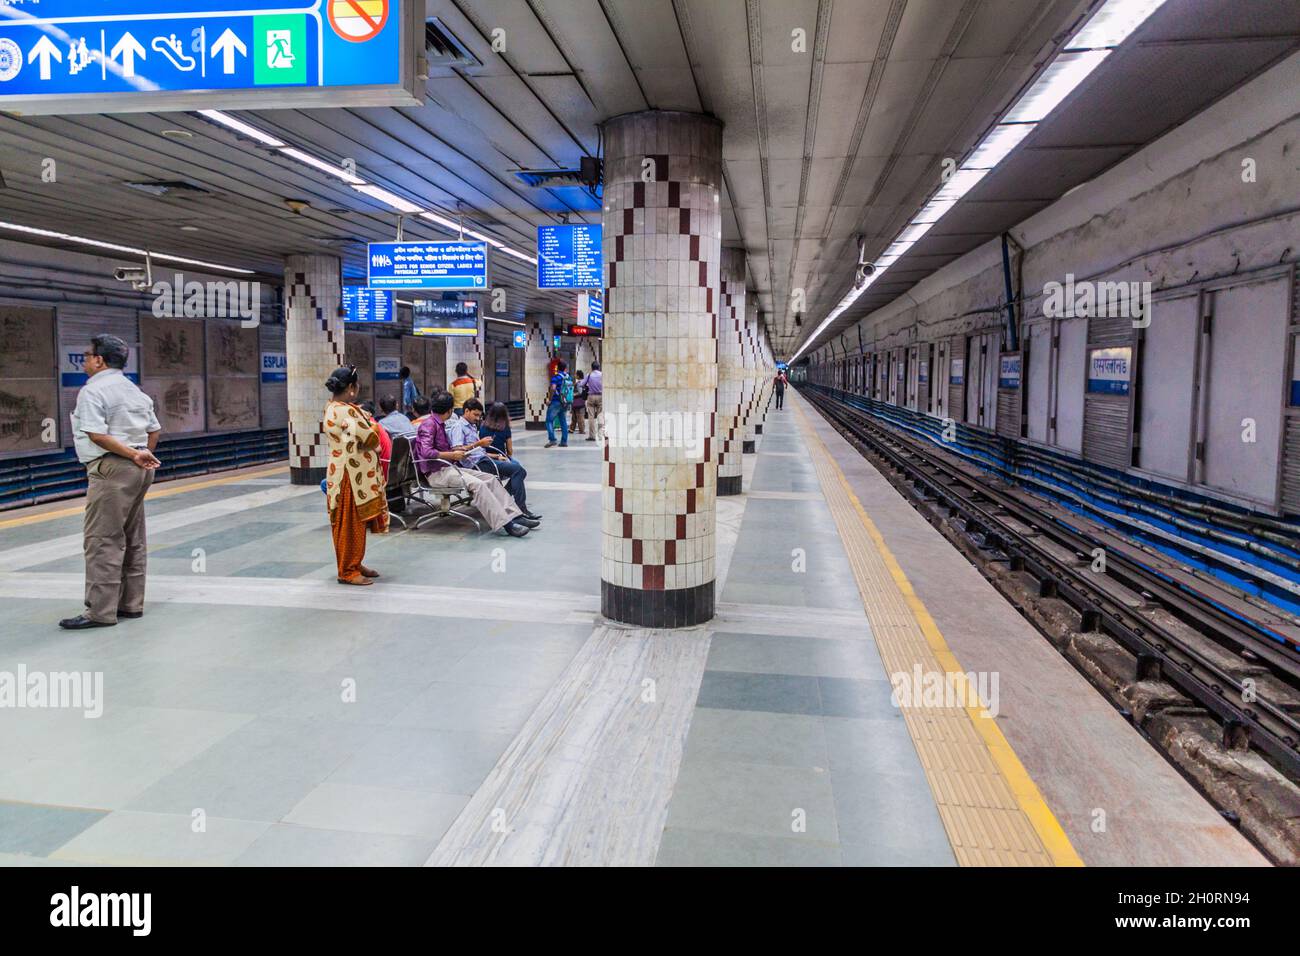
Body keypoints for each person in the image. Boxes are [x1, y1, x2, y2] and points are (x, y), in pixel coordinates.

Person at [59, 334, 163, 630]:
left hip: (112, 469)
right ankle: (130, 604)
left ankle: (100, 612)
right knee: (133, 537)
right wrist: (142, 454)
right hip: (138, 469)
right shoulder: (134, 390)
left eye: (87, 356)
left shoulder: (93, 391)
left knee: (102, 539)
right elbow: (154, 431)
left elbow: (96, 434)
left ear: (99, 360)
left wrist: (131, 455)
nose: (85, 361)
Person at [413, 391, 536, 537]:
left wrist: (459, 450)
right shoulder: (429, 425)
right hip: (437, 474)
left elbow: (446, 449)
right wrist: (452, 455)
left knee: (490, 479)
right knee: (479, 485)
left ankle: (515, 515)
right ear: (449, 410)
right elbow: (427, 452)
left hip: (450, 468)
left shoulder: (439, 424)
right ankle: (507, 524)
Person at [323, 366, 388, 586]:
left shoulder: (333, 407)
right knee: (350, 524)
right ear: (351, 388)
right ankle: (347, 570)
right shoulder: (346, 411)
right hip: (351, 477)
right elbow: (370, 438)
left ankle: (354, 562)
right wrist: (372, 426)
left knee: (354, 524)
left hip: (346, 472)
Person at [457, 399, 540, 519]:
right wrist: (479, 443)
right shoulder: (459, 427)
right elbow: (459, 451)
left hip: (486, 458)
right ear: (466, 411)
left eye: (479, 416)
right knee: (518, 470)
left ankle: (508, 502)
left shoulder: (474, 427)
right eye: (475, 415)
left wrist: (496, 456)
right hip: (477, 464)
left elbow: (481, 452)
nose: (478, 418)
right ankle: (519, 508)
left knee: (519, 470)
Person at [544, 360, 572, 448]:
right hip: (565, 402)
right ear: (565, 368)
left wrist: (549, 399)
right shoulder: (568, 377)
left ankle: (552, 439)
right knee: (562, 420)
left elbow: (553, 388)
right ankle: (564, 441)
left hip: (556, 401)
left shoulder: (556, 377)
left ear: (557, 368)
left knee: (549, 420)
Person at [584, 361, 602, 442]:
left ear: (592, 367)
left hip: (591, 396)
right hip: (601, 396)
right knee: (600, 416)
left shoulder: (589, 375)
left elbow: (581, 384)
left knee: (591, 417)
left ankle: (592, 436)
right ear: (599, 367)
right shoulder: (602, 375)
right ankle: (600, 436)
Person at [570, 370, 587, 437]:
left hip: (578, 402)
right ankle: (572, 429)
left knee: (579, 416)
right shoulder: (582, 382)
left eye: (576, 374)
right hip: (578, 402)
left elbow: (580, 392)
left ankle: (581, 430)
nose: (575, 375)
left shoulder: (579, 383)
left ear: (578, 376)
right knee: (575, 416)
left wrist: (573, 394)